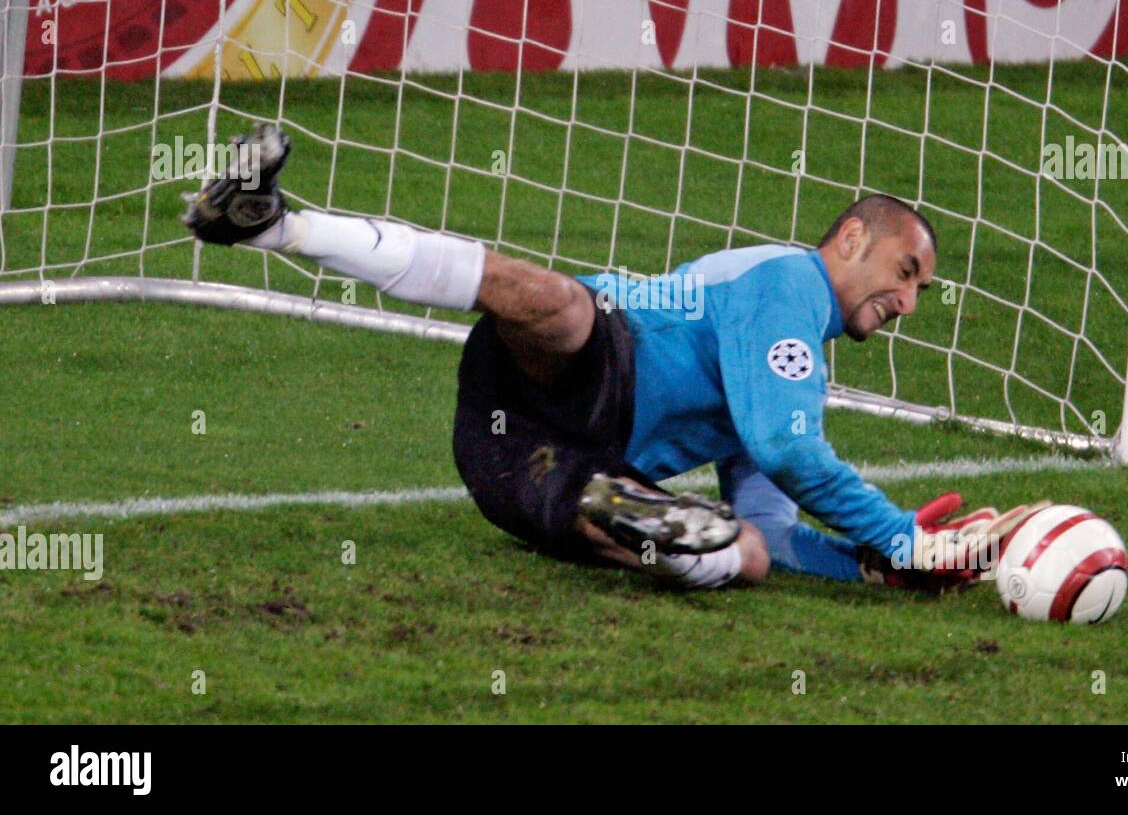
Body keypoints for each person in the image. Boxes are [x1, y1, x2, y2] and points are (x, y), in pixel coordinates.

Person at [184, 124, 1039, 591]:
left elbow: (779, 533)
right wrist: (904, 539)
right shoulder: (787, 288)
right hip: (592, 369)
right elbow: (785, 451)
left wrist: (862, 562)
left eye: (923, 288)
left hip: (517, 465)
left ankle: (629, 519)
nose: (910, 301)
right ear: (851, 238)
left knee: (741, 550)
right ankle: (276, 224)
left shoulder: (791, 370)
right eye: (905, 272)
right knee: (562, 302)